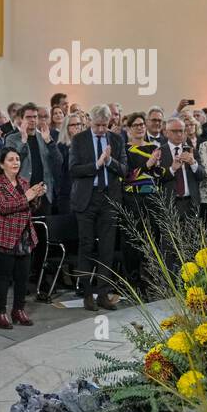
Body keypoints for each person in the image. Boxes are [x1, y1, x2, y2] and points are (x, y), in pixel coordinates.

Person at [69, 105, 125, 311]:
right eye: (98, 125)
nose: (101, 129)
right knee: (86, 246)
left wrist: (109, 161)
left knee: (107, 248)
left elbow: (124, 169)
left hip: (109, 199)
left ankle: (103, 294)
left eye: (105, 125)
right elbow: (73, 169)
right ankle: (86, 294)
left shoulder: (117, 140)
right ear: (90, 121)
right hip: (86, 199)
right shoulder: (79, 139)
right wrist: (97, 164)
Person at [0, 148, 45, 329]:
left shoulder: (23, 182)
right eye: (11, 160)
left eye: (17, 159)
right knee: (3, 277)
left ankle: (18, 310)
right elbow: (3, 207)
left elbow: (30, 207)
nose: (15, 162)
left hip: (24, 235)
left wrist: (36, 196)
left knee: (22, 277)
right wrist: (27, 197)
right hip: (4, 234)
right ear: (2, 164)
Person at [120, 111, 162, 296]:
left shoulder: (154, 146)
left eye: (142, 124)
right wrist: (147, 165)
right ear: (128, 128)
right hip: (131, 199)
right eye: (135, 125)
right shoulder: (124, 148)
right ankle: (133, 283)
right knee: (133, 241)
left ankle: (150, 283)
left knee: (151, 240)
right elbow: (126, 176)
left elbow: (158, 174)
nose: (139, 128)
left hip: (151, 198)